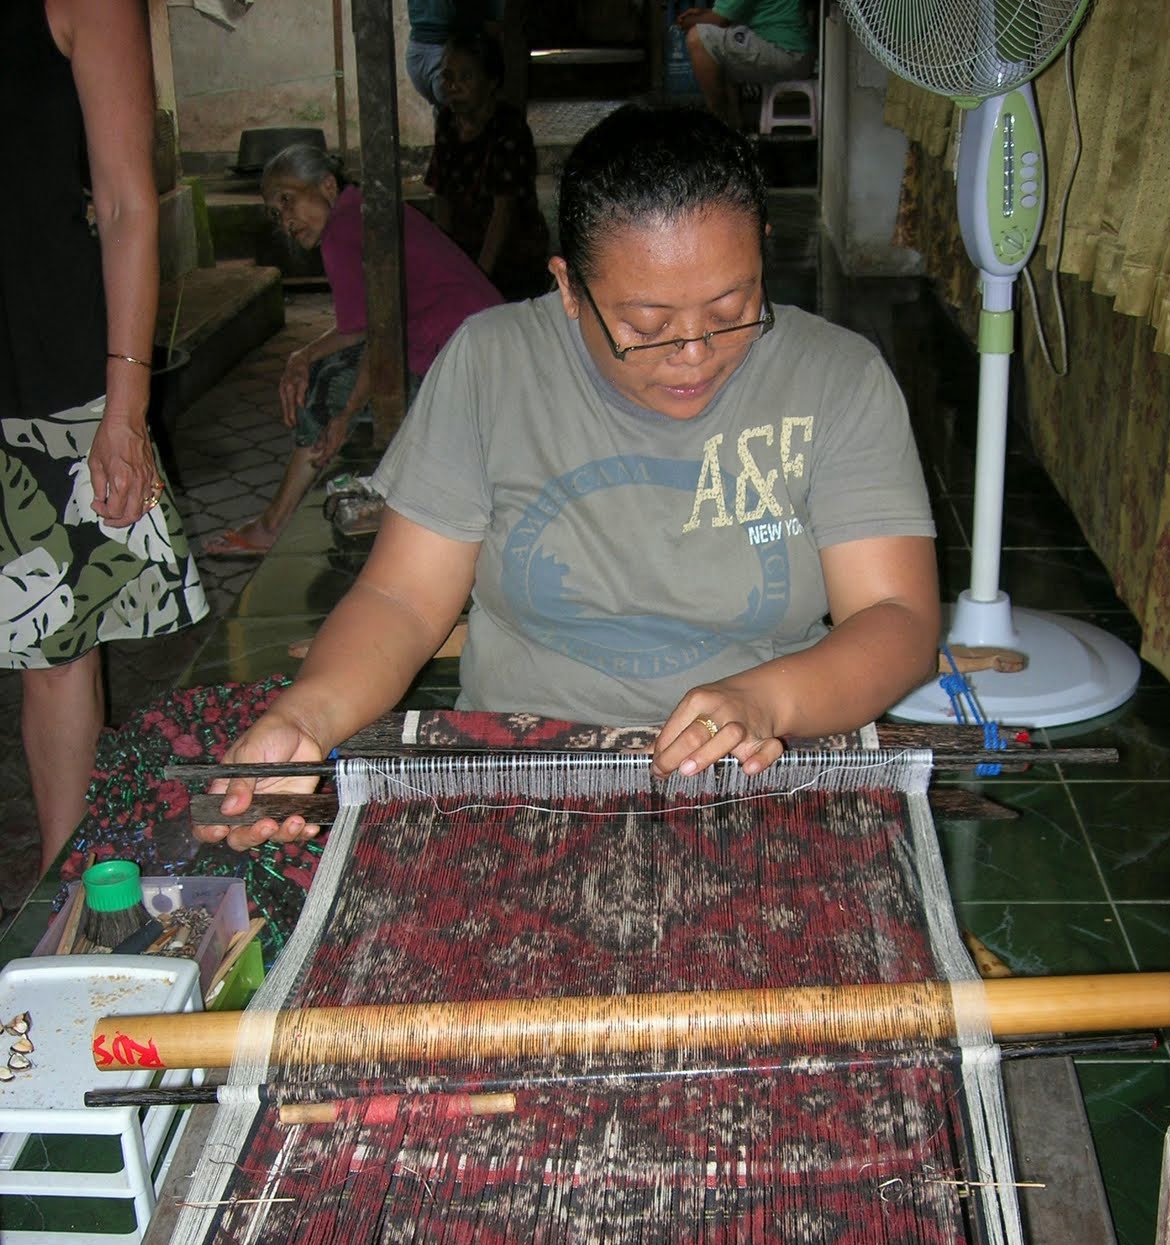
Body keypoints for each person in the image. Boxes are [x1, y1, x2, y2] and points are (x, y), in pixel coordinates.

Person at [199, 105, 939, 854]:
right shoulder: (494, 364)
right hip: (517, 775)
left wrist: (767, 700)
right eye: (646, 325)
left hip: (757, 768)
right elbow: (402, 598)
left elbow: (896, 616)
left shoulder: (838, 380)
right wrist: (306, 719)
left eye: (732, 307)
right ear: (568, 287)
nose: (694, 352)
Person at [0, 0, 209, 879]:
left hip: (42, 361)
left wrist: (124, 410)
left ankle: (69, 887)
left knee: (54, 649)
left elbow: (127, 203)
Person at [203, 145, 503, 559]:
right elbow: (363, 325)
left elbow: (373, 334)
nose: (286, 220)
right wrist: (302, 355)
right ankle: (283, 518)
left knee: (327, 390)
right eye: (276, 212)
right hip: (477, 348)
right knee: (326, 375)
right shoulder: (358, 213)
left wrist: (343, 414)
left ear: (326, 185)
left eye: (288, 200)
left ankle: (274, 524)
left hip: (465, 365)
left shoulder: (344, 228)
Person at [426, 28, 551, 301]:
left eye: (466, 77)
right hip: (466, 248)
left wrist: (477, 280)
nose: (453, 86)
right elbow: (442, 195)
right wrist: (445, 262)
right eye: (447, 77)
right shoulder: (447, 123)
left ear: (491, 81)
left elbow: (503, 213)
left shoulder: (508, 128)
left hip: (512, 255)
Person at [677, 3, 815, 128]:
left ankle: (719, 125)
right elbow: (732, 12)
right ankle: (734, 125)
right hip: (795, 54)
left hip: (786, 53)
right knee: (718, 50)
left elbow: (720, 19)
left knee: (699, 36)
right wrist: (704, 14)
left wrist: (686, 21)